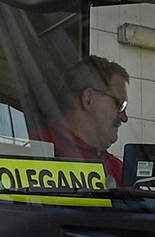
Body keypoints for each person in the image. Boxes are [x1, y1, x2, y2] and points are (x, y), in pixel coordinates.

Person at [32, 56, 129, 184]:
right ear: (89, 98)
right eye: (119, 104)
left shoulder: (120, 171)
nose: (124, 117)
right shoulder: (37, 148)